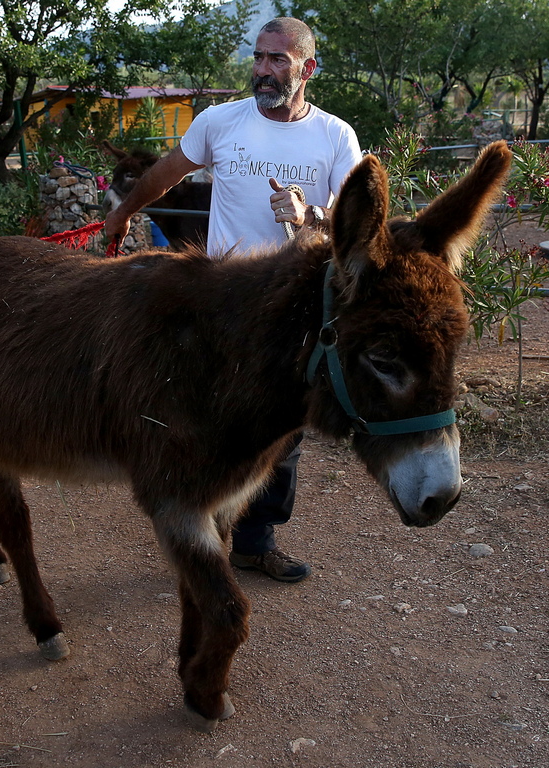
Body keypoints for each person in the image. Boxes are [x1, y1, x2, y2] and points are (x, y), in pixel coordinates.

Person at [104, 17, 362, 583]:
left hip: (294, 300)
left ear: (307, 69)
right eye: (260, 58)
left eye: (278, 61)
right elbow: (167, 174)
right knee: (207, 411)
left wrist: (311, 215)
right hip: (220, 297)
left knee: (282, 427)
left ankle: (253, 538)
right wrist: (123, 213)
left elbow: (354, 211)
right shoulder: (220, 122)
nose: (264, 71)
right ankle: (202, 527)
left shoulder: (335, 136)